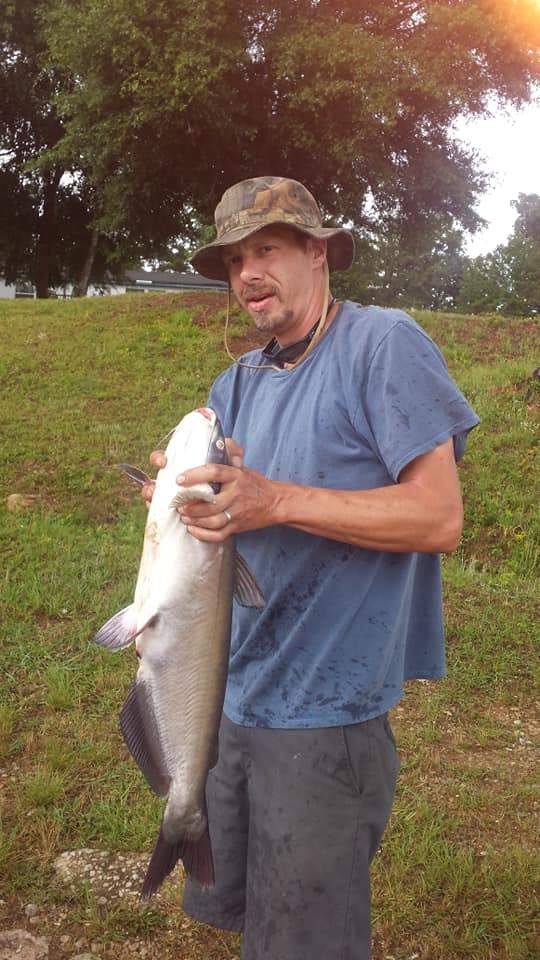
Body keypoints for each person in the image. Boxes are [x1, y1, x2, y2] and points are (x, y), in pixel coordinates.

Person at [142, 176, 480, 960]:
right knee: (257, 924)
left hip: (327, 718)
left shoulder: (381, 344)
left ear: (318, 252)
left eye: (267, 249)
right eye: (234, 261)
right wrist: (186, 503)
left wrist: (277, 499)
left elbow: (439, 517)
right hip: (230, 700)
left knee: (306, 942)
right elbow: (233, 515)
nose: (247, 274)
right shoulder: (237, 383)